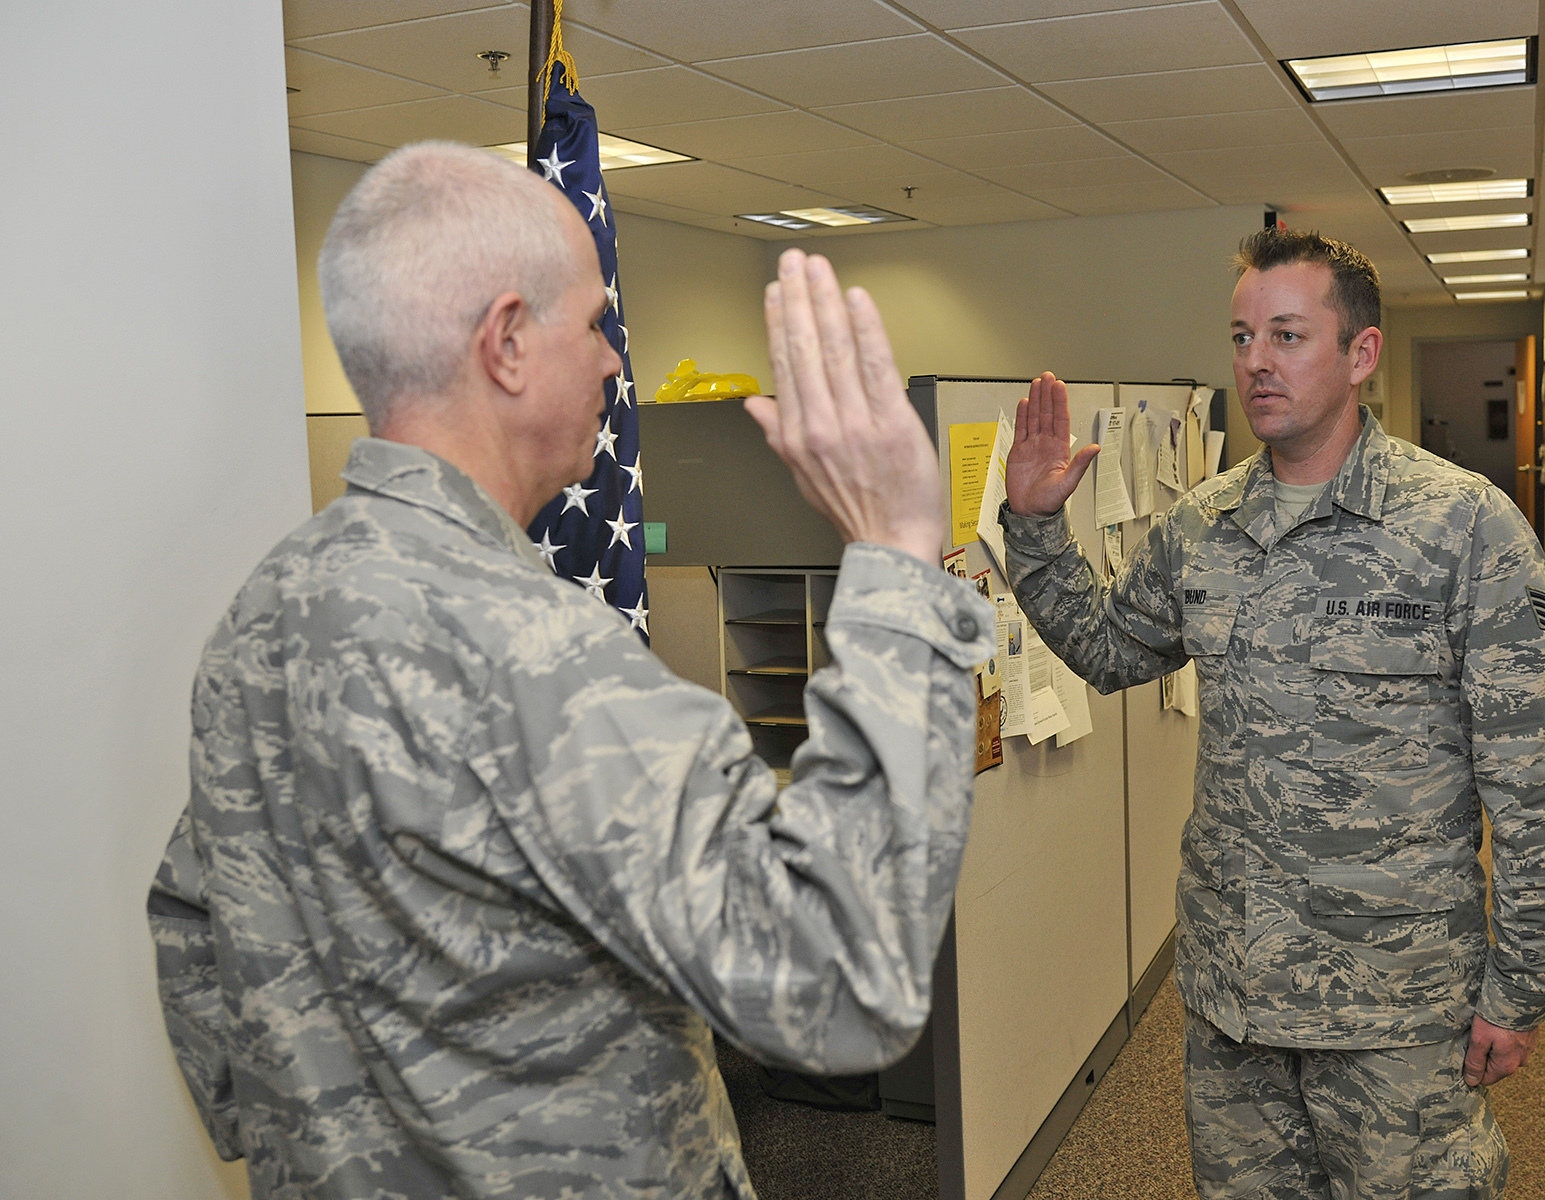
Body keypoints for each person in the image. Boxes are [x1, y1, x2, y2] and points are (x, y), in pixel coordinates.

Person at [146, 141, 993, 1200]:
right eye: (596, 323)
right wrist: (902, 560)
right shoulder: (537, 658)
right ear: (505, 343)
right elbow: (837, 981)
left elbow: (193, 932)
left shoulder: (261, 616)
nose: (612, 364)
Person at [998, 227, 1545, 1199]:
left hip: (1394, 1009)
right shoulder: (1205, 526)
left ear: (1360, 354)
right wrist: (1034, 529)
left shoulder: (1462, 524)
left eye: (1286, 335)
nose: (1255, 363)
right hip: (1234, 1001)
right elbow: (1109, 651)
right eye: (1242, 337)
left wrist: (1522, 988)